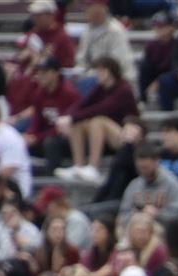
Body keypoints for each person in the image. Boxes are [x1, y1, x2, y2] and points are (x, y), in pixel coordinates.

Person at [53, 56, 139, 185]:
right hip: (108, 135)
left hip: (125, 135)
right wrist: (68, 118)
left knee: (97, 120)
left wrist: (71, 117)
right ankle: (79, 165)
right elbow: (82, 104)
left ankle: (93, 167)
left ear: (110, 72)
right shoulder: (100, 88)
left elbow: (102, 108)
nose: (97, 75)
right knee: (78, 123)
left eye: (101, 71)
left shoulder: (124, 89)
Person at [23, 57, 78, 174]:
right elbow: (37, 121)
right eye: (39, 72)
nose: (41, 75)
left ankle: (51, 175)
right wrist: (30, 135)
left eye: (45, 72)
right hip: (45, 136)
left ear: (56, 73)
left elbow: (64, 127)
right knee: (22, 142)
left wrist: (37, 137)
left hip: (67, 138)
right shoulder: (39, 94)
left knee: (51, 143)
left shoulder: (69, 94)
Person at [118, 143, 178, 227]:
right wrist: (137, 216)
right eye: (140, 168)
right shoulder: (134, 186)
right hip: (137, 230)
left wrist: (157, 214)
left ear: (156, 162)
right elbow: (123, 215)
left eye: (146, 167)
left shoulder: (172, 184)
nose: (143, 171)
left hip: (163, 231)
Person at [139, 12, 177, 104]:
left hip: (171, 78)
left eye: (162, 26)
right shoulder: (151, 45)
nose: (159, 29)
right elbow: (148, 65)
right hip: (154, 76)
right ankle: (143, 100)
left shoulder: (177, 45)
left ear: (171, 27)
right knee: (144, 66)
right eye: (156, 26)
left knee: (166, 80)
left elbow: (175, 67)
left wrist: (157, 82)